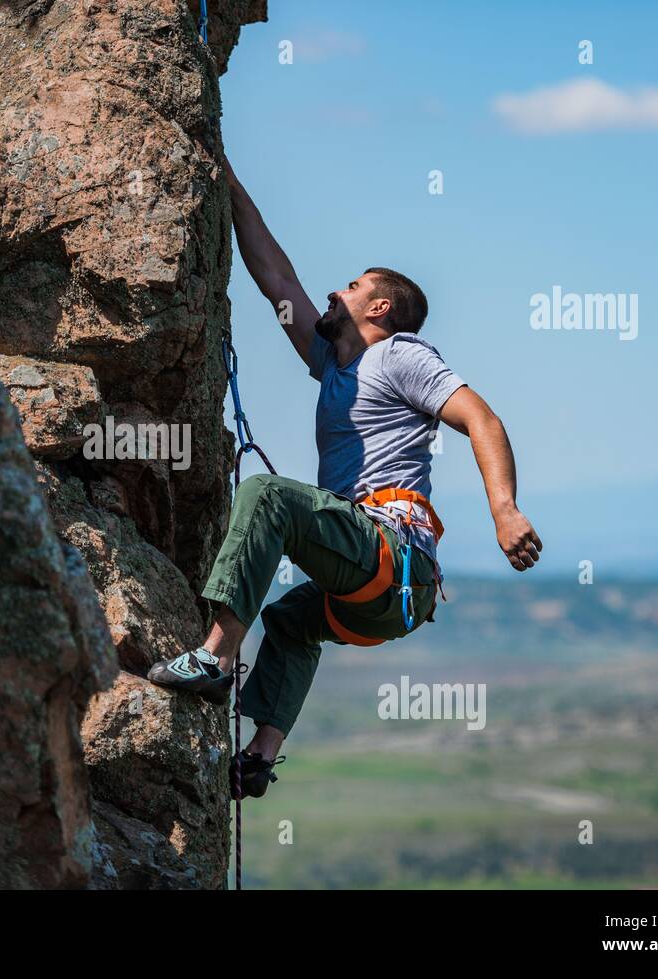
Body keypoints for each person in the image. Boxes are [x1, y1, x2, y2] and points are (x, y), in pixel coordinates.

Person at [147, 158, 542, 799]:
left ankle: (215, 657)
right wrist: (223, 180)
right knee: (293, 622)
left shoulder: (398, 355)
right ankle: (260, 756)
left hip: (390, 550)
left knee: (267, 497)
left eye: (351, 286)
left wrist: (505, 510)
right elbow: (276, 276)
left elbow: (482, 418)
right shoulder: (333, 364)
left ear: (379, 307)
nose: (335, 291)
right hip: (382, 593)